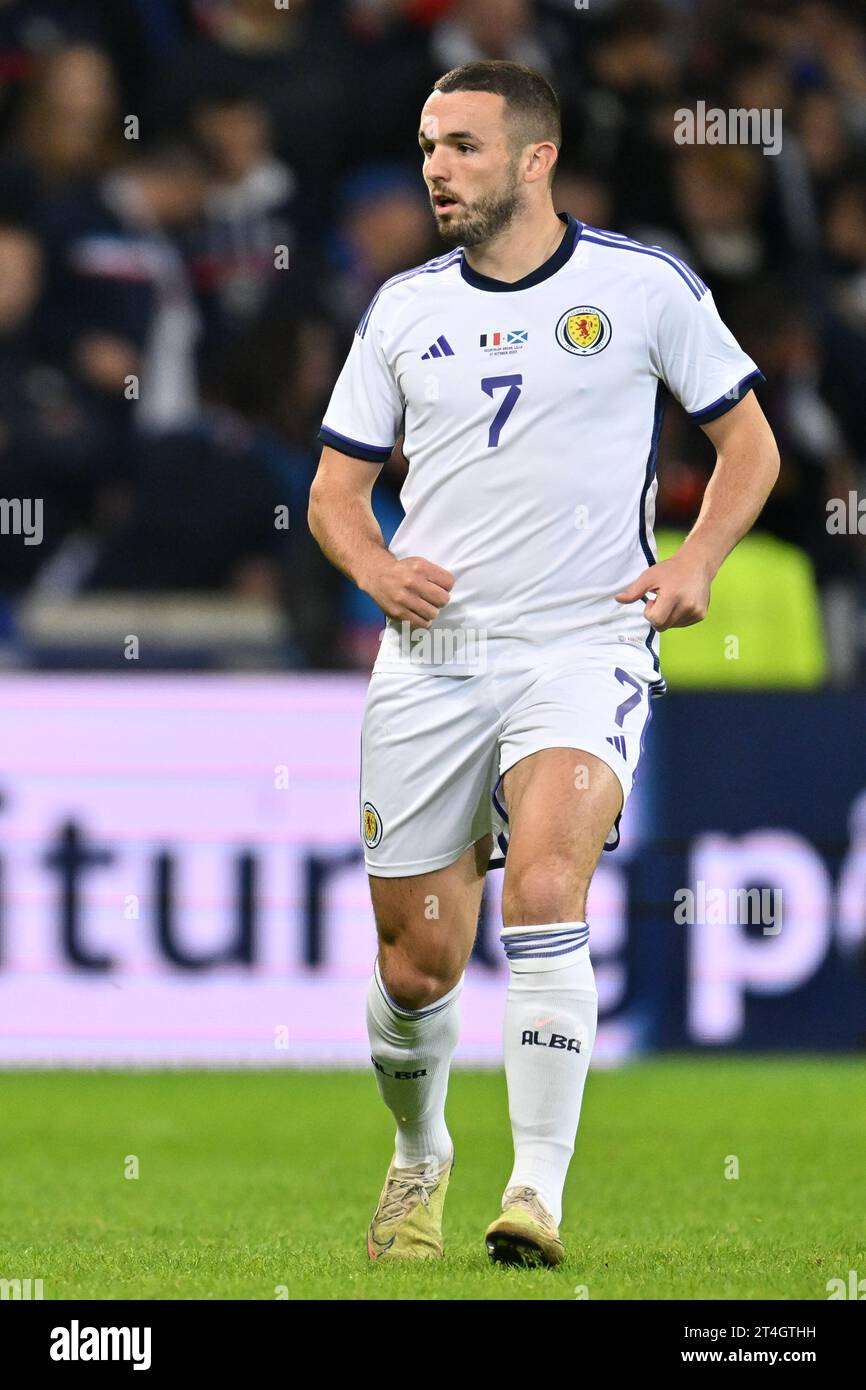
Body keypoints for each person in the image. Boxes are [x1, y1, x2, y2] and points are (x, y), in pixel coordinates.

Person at [308, 60, 780, 1268]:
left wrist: (697, 564)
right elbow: (333, 495)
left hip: (583, 640)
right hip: (433, 658)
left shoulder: (640, 287)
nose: (434, 167)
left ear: (533, 158)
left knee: (546, 891)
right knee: (417, 965)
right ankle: (420, 1150)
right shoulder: (403, 308)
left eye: (461, 145)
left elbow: (748, 446)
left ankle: (534, 1194)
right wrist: (374, 570)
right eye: (426, 144)